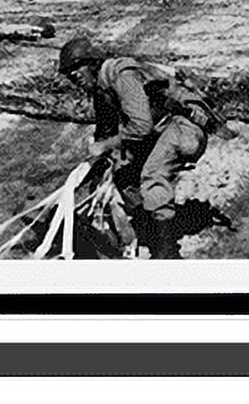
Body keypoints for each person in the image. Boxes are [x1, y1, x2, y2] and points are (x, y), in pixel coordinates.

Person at [58, 36, 217, 259]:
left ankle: (167, 251)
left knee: (152, 175)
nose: (74, 76)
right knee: (124, 174)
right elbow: (106, 130)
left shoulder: (121, 76)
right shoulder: (101, 88)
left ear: (92, 63)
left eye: (78, 67)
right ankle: (152, 227)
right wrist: (98, 165)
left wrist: (104, 146)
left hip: (184, 127)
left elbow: (141, 128)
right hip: (161, 128)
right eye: (69, 73)